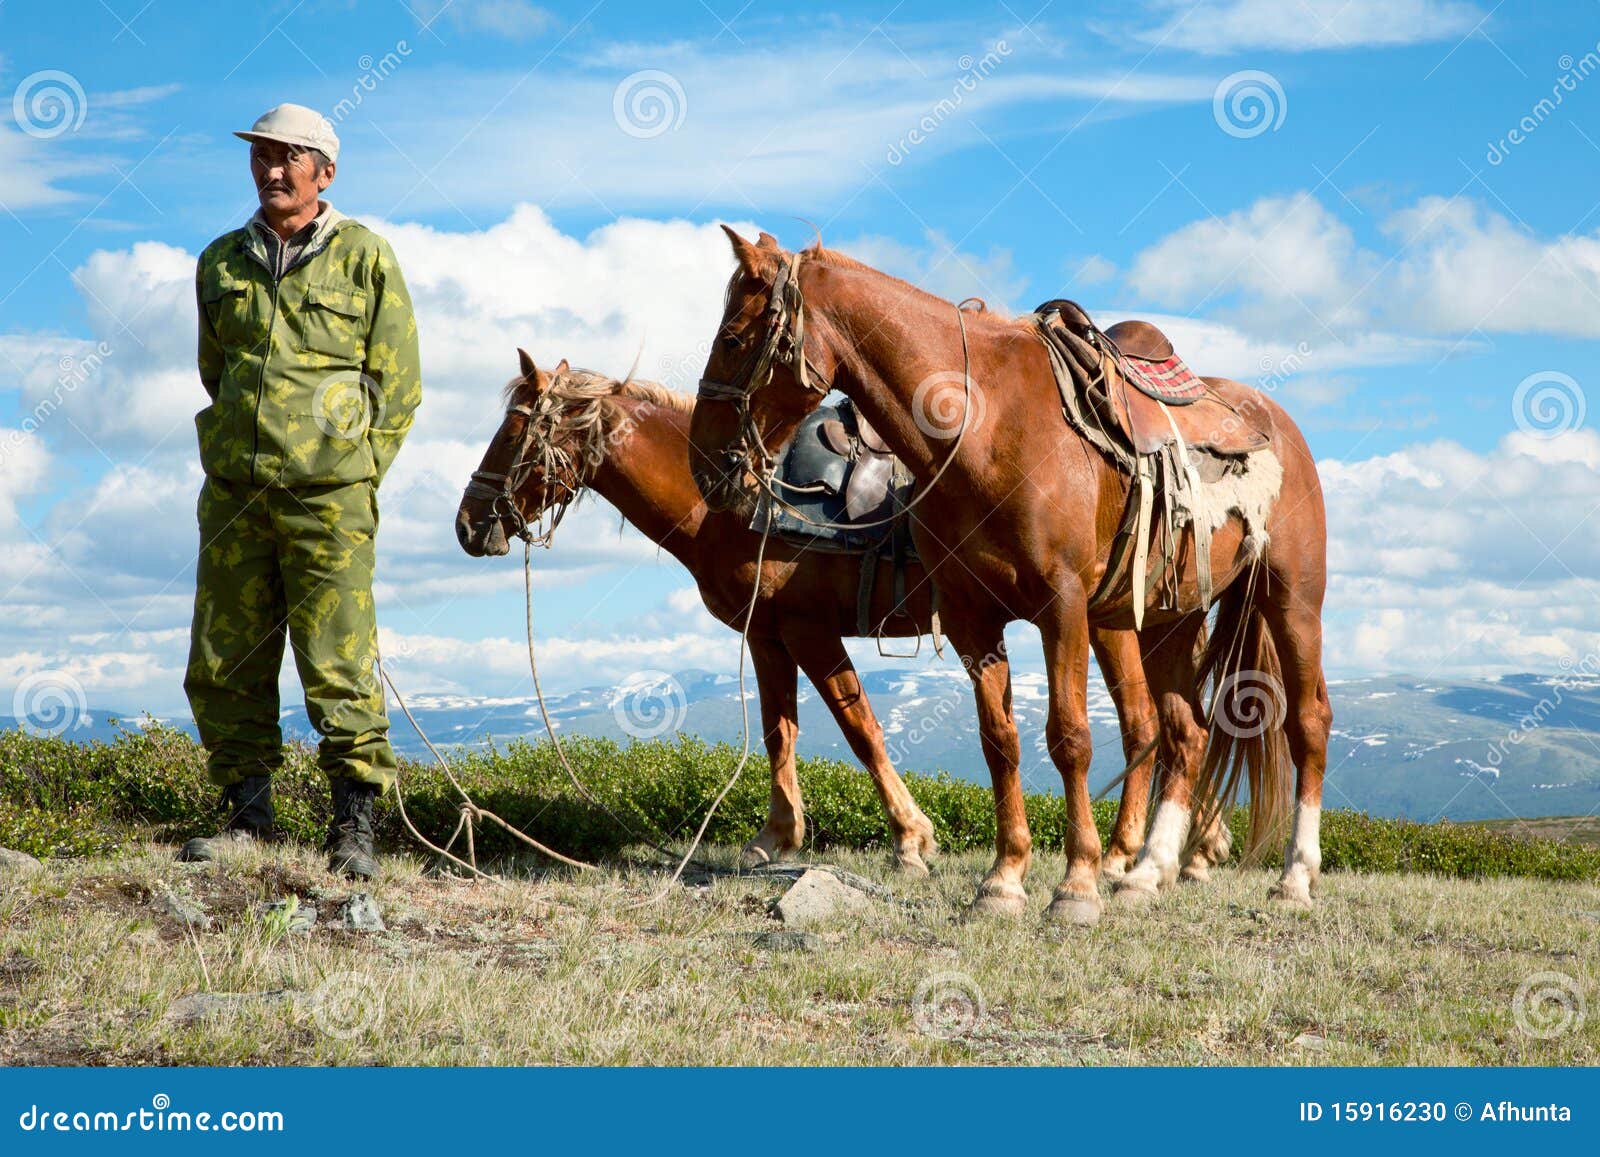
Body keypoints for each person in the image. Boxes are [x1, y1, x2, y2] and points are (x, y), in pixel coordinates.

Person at [179, 103, 421, 878]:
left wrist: (354, 473)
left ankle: (352, 828)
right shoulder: (220, 261)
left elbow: (398, 386)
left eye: (289, 157)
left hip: (331, 500)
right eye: (262, 156)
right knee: (225, 659)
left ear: (326, 171)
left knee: (338, 660)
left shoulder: (366, 258)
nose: (272, 170)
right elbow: (216, 372)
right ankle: (247, 817)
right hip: (235, 495)